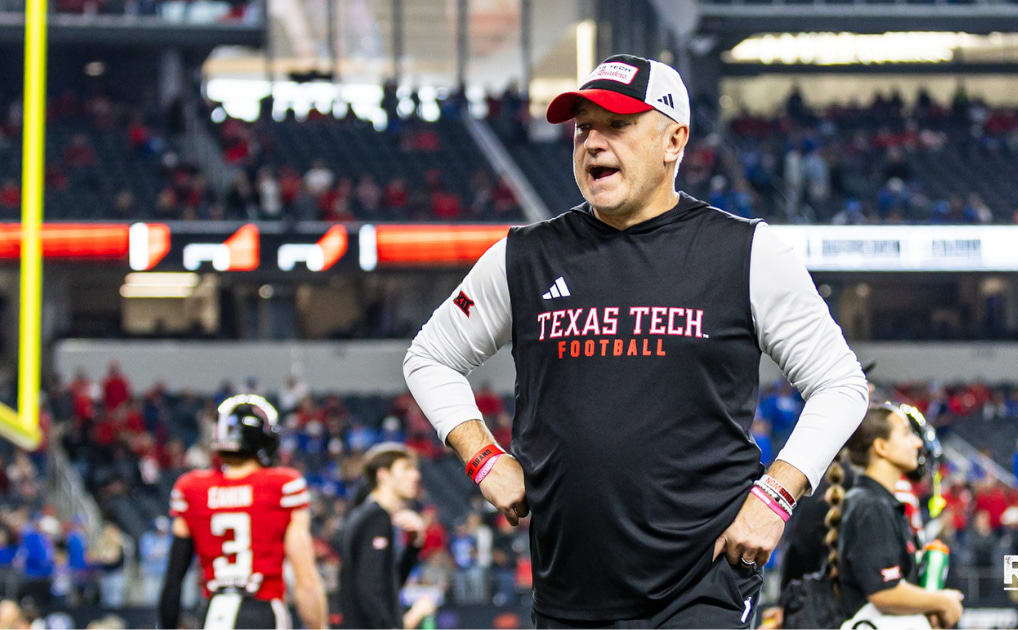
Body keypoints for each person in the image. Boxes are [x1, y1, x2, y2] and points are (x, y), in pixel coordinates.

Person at [403, 53, 868, 628]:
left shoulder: (746, 252)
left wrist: (775, 497)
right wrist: (481, 456)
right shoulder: (523, 256)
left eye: (617, 125)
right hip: (569, 588)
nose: (593, 143)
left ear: (674, 141)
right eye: (582, 129)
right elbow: (429, 358)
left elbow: (841, 384)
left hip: (705, 581)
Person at [158, 394, 327, 630]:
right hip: (263, 610)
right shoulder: (282, 485)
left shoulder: (191, 488)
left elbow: (173, 581)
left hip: (214, 613)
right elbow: (306, 579)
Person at [826, 405, 964, 629]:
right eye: (906, 433)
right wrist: (943, 601)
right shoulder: (871, 505)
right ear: (881, 447)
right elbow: (884, 593)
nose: (917, 443)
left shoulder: (880, 502)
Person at [339, 443, 437, 629]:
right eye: (406, 468)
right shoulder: (376, 517)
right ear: (383, 474)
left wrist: (413, 546)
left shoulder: (368, 515)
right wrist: (413, 616)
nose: (416, 475)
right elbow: (369, 591)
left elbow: (387, 585)